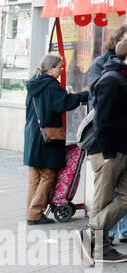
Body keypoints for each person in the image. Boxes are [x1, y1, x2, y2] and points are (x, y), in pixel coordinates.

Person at [80, 36, 127, 265]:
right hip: (108, 152)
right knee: (102, 202)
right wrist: (109, 155)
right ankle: (101, 248)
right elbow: (103, 121)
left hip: (124, 150)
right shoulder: (112, 80)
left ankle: (90, 235)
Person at [24, 55, 89, 225]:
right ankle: (36, 214)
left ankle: (31, 213)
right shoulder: (51, 85)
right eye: (59, 67)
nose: (61, 70)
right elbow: (63, 103)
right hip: (47, 136)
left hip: (33, 133)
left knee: (35, 175)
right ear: (50, 68)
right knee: (48, 174)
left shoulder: (35, 83)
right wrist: (82, 96)